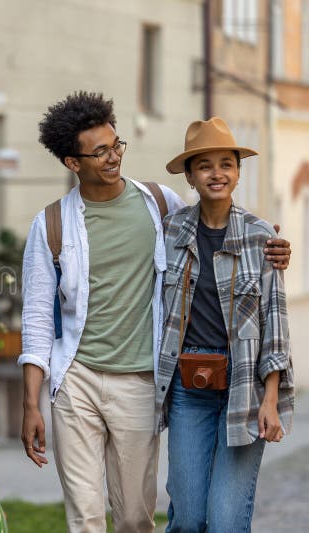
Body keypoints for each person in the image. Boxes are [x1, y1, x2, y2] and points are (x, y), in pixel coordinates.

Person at [18, 92, 291, 533]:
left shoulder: (160, 205)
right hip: (85, 380)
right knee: (90, 517)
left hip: (151, 381)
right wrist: (31, 402)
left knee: (136, 517)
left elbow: (227, 240)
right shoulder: (54, 224)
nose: (113, 157)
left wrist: (272, 247)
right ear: (73, 162)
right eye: (100, 151)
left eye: (116, 145)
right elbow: (34, 318)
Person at [154, 117, 294, 533]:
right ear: (191, 176)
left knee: (227, 523)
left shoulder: (261, 236)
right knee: (189, 519)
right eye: (205, 165)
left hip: (245, 388)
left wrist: (271, 399)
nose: (217, 173)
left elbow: (275, 322)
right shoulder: (170, 231)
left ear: (237, 171)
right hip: (187, 388)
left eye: (226, 164)